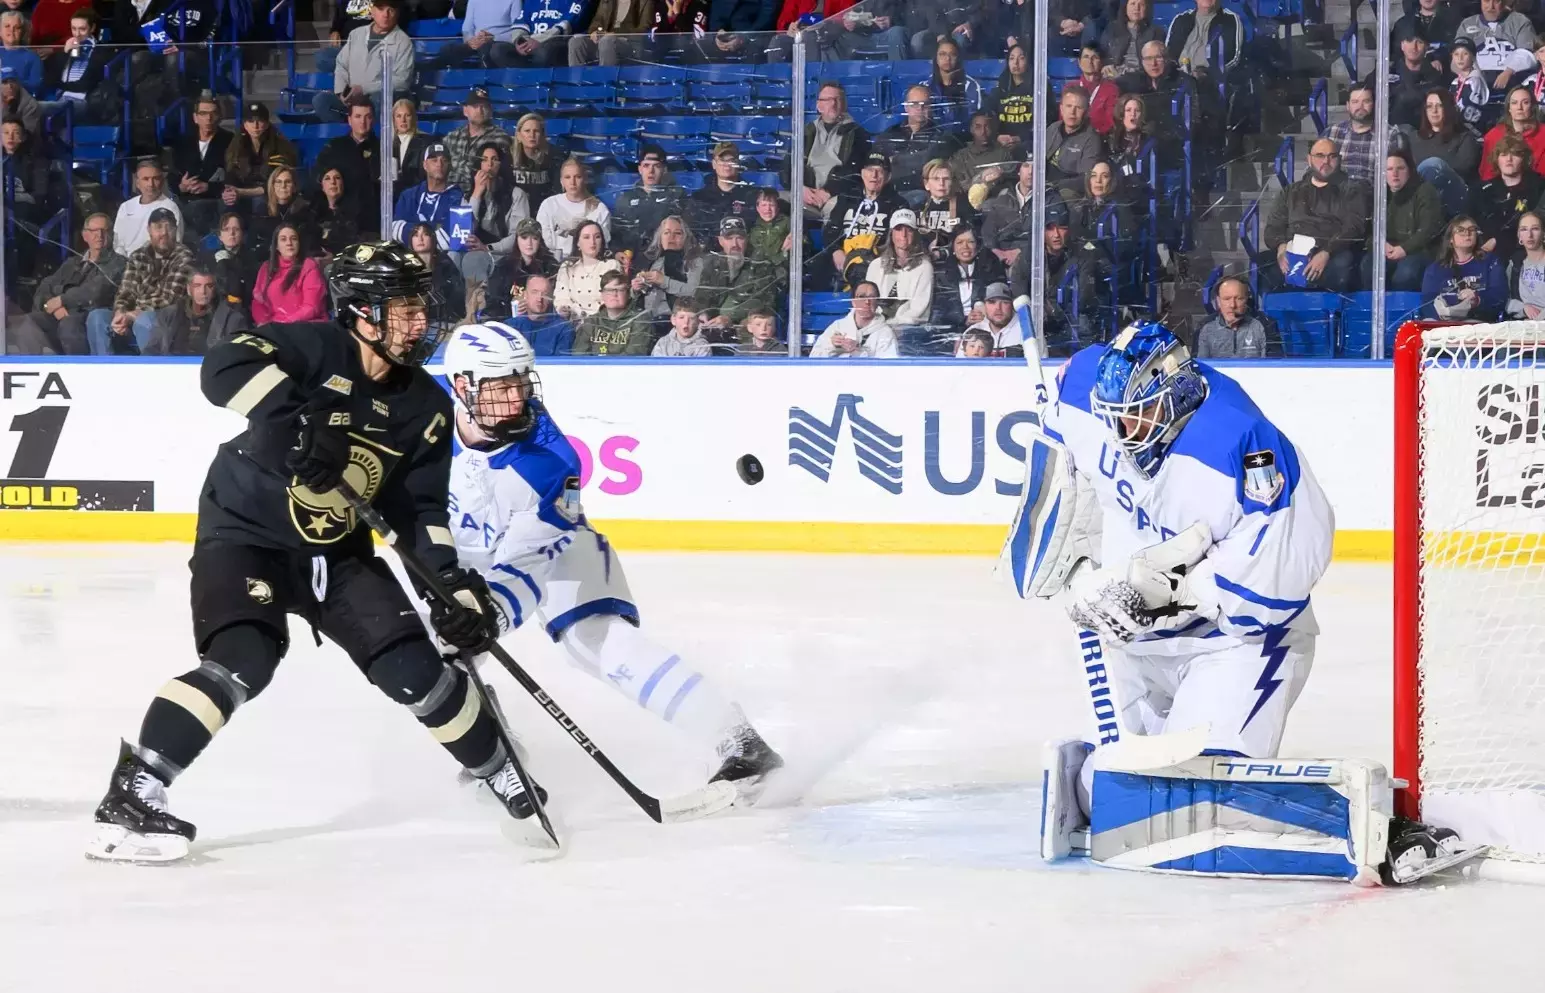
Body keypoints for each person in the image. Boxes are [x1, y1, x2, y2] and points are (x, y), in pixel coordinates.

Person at [85, 241, 534, 864]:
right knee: (245, 656)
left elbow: (419, 515)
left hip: (337, 550)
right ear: (361, 313)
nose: (416, 321)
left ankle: (498, 770)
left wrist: (451, 587)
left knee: (415, 670)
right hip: (245, 532)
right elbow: (222, 365)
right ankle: (135, 793)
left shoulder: (426, 407)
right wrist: (300, 421)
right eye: (400, 308)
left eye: (416, 307)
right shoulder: (316, 346)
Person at [1028, 321, 1477, 885]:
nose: (1122, 431)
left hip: (1237, 644)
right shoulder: (1090, 387)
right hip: (1132, 640)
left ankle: (1379, 828)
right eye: (1113, 416)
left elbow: (1276, 583)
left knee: (1201, 797)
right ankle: (1103, 780)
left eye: (1137, 416)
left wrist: (1170, 592)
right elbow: (1062, 459)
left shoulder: (1244, 447)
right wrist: (1067, 559)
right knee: (1118, 790)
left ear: (1177, 395)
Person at [439, 323, 781, 805]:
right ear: (462, 386)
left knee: (597, 641)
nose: (516, 399)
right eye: (501, 388)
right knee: (432, 649)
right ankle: (492, 751)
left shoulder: (550, 464)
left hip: (554, 549)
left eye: (521, 383)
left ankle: (739, 741)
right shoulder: (422, 416)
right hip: (460, 554)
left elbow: (529, 561)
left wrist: (492, 615)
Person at [1259, 139, 1366, 294]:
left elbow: (1354, 227)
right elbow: (1273, 227)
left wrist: (1326, 252)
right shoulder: (1291, 192)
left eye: (1332, 156)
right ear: (1309, 159)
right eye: (1320, 156)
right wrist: (1281, 247)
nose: (1326, 161)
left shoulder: (1352, 191)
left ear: (1340, 160)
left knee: (1344, 263)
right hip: (1294, 251)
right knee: (1262, 263)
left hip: (1332, 252)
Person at [8, 213, 122, 355]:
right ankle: (38, 367)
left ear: (111, 234)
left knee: (69, 324)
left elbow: (96, 291)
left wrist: (62, 299)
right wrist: (53, 307)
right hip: (59, 314)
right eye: (94, 231)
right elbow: (45, 286)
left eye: (104, 231)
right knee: (26, 322)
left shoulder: (118, 263)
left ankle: (77, 372)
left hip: (90, 315)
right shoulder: (72, 262)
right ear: (85, 235)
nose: (99, 235)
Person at [88, 208, 195, 355]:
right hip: (132, 318)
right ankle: (105, 371)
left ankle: (152, 371)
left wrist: (132, 314)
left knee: (145, 319)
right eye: (158, 227)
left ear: (175, 230)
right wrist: (120, 313)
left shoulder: (184, 256)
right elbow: (125, 292)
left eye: (168, 227)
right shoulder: (138, 255)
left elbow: (169, 298)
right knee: (97, 317)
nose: (163, 233)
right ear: (149, 230)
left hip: (163, 320)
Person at [314, 0, 414, 123]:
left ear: (397, 13)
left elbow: (402, 81)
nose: (385, 14)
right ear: (372, 11)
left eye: (390, 10)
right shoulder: (356, 34)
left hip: (376, 99)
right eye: (381, 9)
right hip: (352, 98)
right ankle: (347, 136)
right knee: (321, 100)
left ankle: (372, 138)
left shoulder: (403, 42)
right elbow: (341, 64)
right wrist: (341, 92)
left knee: (379, 99)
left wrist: (364, 89)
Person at [822, 151, 908, 290]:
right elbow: (831, 230)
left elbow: (900, 239)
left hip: (877, 259)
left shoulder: (897, 204)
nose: (874, 175)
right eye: (869, 170)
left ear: (888, 177)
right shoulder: (847, 198)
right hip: (845, 256)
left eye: (879, 171)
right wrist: (836, 251)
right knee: (817, 265)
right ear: (862, 173)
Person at [1366, 149, 1445, 293]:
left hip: (1418, 249)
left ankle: (1403, 312)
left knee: (1405, 275)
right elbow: (1368, 231)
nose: (1394, 174)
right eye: (1389, 169)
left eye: (1400, 168)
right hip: (1388, 249)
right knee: (1368, 268)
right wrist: (1380, 244)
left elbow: (1429, 229)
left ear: (1409, 170)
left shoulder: (1425, 191)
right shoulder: (1378, 193)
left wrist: (1404, 249)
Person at [461, 140, 532, 292]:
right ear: (478, 165)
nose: (489, 164)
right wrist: (476, 195)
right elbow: (462, 232)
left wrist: (487, 248)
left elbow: (518, 236)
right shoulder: (469, 196)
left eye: (494, 159)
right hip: (473, 251)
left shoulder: (516, 195)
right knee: (453, 255)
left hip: (502, 253)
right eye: (484, 160)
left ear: (501, 165)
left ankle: (479, 306)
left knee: (475, 258)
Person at [794, 83, 870, 218]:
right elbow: (789, 165)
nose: (833, 104)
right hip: (805, 192)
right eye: (828, 100)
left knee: (836, 209)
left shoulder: (857, 133)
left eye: (838, 99)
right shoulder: (806, 131)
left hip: (836, 195)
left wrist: (828, 192)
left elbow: (855, 171)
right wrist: (801, 188)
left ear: (844, 104)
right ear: (819, 105)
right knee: (774, 202)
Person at [1402, 89, 1482, 217]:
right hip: (1421, 198)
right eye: (1429, 106)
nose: (1434, 111)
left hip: (1454, 197)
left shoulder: (1464, 137)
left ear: (1449, 109)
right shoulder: (1414, 138)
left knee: (1434, 164)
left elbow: (1462, 171)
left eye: (1439, 106)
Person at [697, 216, 784, 333]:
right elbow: (702, 294)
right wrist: (703, 313)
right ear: (720, 241)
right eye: (729, 238)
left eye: (740, 238)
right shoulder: (713, 262)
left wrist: (729, 317)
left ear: (747, 240)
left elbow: (764, 300)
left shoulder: (760, 262)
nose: (735, 244)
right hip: (714, 323)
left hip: (747, 324)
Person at [874, 84, 962, 197]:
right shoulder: (890, 134)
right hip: (889, 192)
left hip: (922, 193)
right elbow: (876, 162)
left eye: (925, 105)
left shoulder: (942, 137)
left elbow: (927, 161)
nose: (920, 109)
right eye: (914, 104)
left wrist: (895, 160)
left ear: (931, 107)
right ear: (906, 107)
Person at [980, 155, 1066, 271]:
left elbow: (1053, 238)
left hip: (1035, 263)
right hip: (1000, 261)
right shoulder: (1003, 199)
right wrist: (997, 252)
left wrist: (1022, 252)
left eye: (1036, 167)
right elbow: (987, 233)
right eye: (1026, 166)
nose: (1031, 172)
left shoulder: (1052, 200)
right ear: (1019, 171)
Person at [168, 93, 233, 240]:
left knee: (195, 211)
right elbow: (172, 176)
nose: (208, 118)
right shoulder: (182, 142)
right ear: (195, 118)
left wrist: (209, 187)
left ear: (219, 116)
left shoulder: (230, 142)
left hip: (215, 199)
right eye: (203, 113)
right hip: (185, 197)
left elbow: (235, 179)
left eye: (213, 113)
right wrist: (181, 186)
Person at [313, 97, 381, 236]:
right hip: (340, 220)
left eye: (367, 117)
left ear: (373, 120)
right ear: (349, 120)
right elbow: (318, 176)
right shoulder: (334, 146)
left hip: (371, 221)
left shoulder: (383, 148)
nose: (362, 122)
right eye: (358, 116)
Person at [143, 266, 249, 355]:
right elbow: (151, 350)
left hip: (210, 372)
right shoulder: (168, 315)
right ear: (189, 289)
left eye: (209, 286)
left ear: (215, 289)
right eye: (197, 286)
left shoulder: (231, 318)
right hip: (172, 371)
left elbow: (238, 354)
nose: (203, 291)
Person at [1422, 214, 1507, 319]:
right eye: (1460, 230)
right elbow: (1427, 304)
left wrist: (1478, 300)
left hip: (1478, 323)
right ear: (1450, 239)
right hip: (1444, 324)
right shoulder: (1435, 270)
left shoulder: (1491, 262)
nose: (1467, 233)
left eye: (1472, 229)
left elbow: (1499, 297)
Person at [223, 102, 299, 216]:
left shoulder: (280, 145)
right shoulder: (237, 145)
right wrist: (229, 192)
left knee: (259, 203)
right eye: (251, 121)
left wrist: (242, 192)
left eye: (260, 121)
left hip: (269, 194)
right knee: (227, 204)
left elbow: (277, 182)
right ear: (244, 124)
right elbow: (231, 173)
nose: (256, 126)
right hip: (241, 192)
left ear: (267, 123)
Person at [611, 144, 686, 258]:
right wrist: (617, 252)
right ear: (640, 169)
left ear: (664, 169)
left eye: (656, 166)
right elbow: (616, 234)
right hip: (631, 258)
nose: (651, 171)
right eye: (646, 166)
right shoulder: (626, 198)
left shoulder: (676, 196)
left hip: (664, 259)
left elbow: (683, 234)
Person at [1476, 134, 1545, 253]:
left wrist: (1498, 240)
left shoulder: (1539, 187)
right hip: (1486, 253)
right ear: (1496, 159)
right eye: (1503, 154)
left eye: (1515, 154)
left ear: (1524, 159)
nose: (1509, 159)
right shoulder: (1481, 190)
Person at [42, 11, 114, 125]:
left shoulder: (101, 51)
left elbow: (86, 84)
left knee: (39, 109)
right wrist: (65, 52)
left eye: (82, 29)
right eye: (73, 29)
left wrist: (60, 85)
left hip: (84, 101)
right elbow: (50, 78)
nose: (77, 34)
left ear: (92, 28)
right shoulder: (69, 49)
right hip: (61, 98)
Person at [633, 214, 704, 327]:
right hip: (648, 320)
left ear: (686, 238)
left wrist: (664, 281)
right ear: (660, 238)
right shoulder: (655, 261)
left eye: (677, 233)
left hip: (679, 323)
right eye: (666, 233)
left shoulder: (694, 262)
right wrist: (637, 289)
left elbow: (694, 292)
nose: (671, 237)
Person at [251, 223, 329, 325]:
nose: (289, 243)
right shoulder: (266, 267)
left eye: (294, 239)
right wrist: (263, 323)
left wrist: (284, 324)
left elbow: (311, 307)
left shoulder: (309, 266)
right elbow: (258, 302)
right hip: (274, 328)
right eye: (283, 239)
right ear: (276, 246)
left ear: (299, 244)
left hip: (306, 325)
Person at [1325, 83, 1402, 186]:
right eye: (1355, 102)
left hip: (1371, 196)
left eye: (1366, 101)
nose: (1360, 107)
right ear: (1348, 106)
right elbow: (1316, 167)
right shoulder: (1333, 132)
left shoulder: (1389, 135)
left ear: (1374, 104)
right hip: (1337, 195)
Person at [930, 226, 1003, 333]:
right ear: (953, 247)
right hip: (952, 331)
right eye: (959, 242)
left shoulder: (989, 268)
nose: (965, 247)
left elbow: (998, 298)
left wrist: (983, 312)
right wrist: (964, 320)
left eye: (970, 242)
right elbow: (939, 312)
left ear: (977, 246)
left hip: (986, 326)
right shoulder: (942, 274)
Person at [536, 155, 611, 259]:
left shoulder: (599, 209)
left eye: (578, 177)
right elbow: (542, 241)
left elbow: (603, 245)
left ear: (584, 179)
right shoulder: (548, 205)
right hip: (552, 262)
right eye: (567, 177)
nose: (572, 182)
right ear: (561, 181)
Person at [391, 143, 465, 248]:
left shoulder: (459, 199)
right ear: (425, 165)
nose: (439, 164)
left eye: (444, 160)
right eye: (434, 160)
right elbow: (394, 229)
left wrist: (413, 231)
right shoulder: (408, 195)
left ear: (450, 166)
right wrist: (434, 228)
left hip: (443, 261)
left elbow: (455, 241)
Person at [485, 218, 560, 320]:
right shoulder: (503, 266)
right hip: (510, 322)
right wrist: (510, 309)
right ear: (517, 239)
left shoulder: (551, 267)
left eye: (534, 238)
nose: (529, 243)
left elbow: (557, 299)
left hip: (543, 321)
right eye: (524, 237)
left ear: (540, 240)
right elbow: (493, 303)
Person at [1455, 0, 1536, 90]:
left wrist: (1509, 71)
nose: (1491, 7)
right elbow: (1456, 59)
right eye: (1486, 1)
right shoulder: (1467, 24)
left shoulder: (1520, 21)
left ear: (1505, 2)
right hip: (1476, 80)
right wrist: (1472, 76)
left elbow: (1528, 54)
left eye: (1496, 1)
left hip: (1513, 80)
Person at [444, 88, 511, 194]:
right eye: (475, 106)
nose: (480, 111)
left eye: (484, 106)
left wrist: (454, 165)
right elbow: (441, 166)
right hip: (447, 192)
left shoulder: (499, 137)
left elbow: (488, 172)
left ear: (490, 110)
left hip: (479, 194)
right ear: (465, 110)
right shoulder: (452, 136)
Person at [809, 280, 900, 358]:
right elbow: (813, 358)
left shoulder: (885, 333)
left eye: (872, 297)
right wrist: (832, 346)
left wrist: (857, 352)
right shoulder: (838, 326)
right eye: (861, 297)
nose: (867, 302)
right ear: (853, 302)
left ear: (877, 302)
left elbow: (888, 369)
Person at [1193, 275, 1278, 358]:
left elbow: (1274, 367)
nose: (1232, 305)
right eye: (1226, 299)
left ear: (1247, 300)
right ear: (1218, 301)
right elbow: (1197, 368)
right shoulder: (1205, 328)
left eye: (1239, 299)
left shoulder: (1265, 325)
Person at [687, 141, 756, 241]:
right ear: (714, 164)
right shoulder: (699, 198)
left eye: (731, 160)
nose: (727, 165)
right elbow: (691, 232)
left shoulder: (752, 195)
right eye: (722, 160)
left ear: (738, 164)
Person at [554, 219, 622, 319]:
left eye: (597, 237)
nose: (592, 242)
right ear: (578, 243)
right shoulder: (567, 267)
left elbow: (614, 299)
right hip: (574, 322)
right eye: (586, 237)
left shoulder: (611, 265)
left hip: (603, 322)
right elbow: (561, 298)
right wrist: (567, 310)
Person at [114, 158, 183, 256]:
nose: (151, 184)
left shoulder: (170, 208)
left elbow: (173, 247)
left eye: (155, 179)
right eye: (146, 179)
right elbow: (118, 245)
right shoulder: (125, 207)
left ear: (162, 181)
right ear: (137, 183)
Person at [573, 270, 653, 355]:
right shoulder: (591, 322)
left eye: (620, 290)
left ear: (628, 293)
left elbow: (633, 357)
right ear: (602, 294)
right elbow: (579, 356)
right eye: (609, 290)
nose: (614, 294)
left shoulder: (640, 321)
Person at [1046, 86, 1104, 199]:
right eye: (1068, 106)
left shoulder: (1092, 139)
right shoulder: (1053, 128)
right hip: (1042, 182)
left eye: (1078, 108)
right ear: (1061, 109)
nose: (1072, 112)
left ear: (1087, 112)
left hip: (1066, 190)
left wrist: (1054, 185)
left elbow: (1086, 179)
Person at [1386, 23, 1444, 130]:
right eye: (1409, 41)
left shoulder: (1436, 77)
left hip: (1425, 135)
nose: (1414, 47)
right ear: (1402, 45)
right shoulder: (1386, 73)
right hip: (1392, 134)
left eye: (1420, 42)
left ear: (1427, 47)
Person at [407, 222, 467, 325]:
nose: (420, 239)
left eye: (425, 234)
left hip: (447, 321)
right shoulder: (405, 267)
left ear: (434, 239)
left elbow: (458, 294)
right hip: (417, 323)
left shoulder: (445, 264)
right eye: (415, 235)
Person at [916, 158, 978, 258]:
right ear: (926, 184)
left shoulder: (965, 206)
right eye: (936, 179)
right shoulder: (917, 208)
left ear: (952, 182)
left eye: (946, 179)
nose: (941, 183)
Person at [1480, 86, 1545, 180]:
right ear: (1509, 108)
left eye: (1525, 102)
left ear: (1532, 107)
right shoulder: (1493, 136)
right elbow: (1487, 174)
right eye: (1514, 103)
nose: (1519, 107)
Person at [251, 166, 316, 257]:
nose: (283, 186)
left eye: (288, 182)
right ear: (272, 186)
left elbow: (310, 241)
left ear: (294, 186)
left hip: (298, 261)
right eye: (278, 182)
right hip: (268, 261)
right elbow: (254, 242)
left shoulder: (305, 211)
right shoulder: (262, 211)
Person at [502, 271, 574, 353]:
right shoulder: (510, 327)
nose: (539, 298)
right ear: (525, 295)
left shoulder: (563, 328)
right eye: (534, 292)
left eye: (545, 294)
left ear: (551, 298)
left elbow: (561, 364)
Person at [204, 212, 261, 314]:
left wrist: (226, 263)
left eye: (236, 229)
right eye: (226, 229)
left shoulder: (252, 258)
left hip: (241, 310)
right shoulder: (209, 258)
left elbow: (245, 290)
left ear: (242, 234)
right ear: (220, 236)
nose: (232, 233)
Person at [569, 0, 653, 66]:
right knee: (576, 41)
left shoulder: (645, 1)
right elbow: (597, 20)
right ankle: (576, 83)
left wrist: (615, 34)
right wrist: (594, 31)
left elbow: (644, 28)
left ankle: (605, 82)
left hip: (629, 42)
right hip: (605, 38)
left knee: (607, 41)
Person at [923, 38, 982, 131]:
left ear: (958, 58)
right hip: (932, 137)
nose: (947, 58)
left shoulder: (970, 85)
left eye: (952, 54)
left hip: (962, 138)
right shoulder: (925, 86)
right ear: (936, 58)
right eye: (942, 54)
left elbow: (974, 119)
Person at [986, 45, 1037, 150]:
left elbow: (1047, 123)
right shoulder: (999, 89)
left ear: (1028, 61)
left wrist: (1021, 138)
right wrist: (997, 136)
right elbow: (987, 116)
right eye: (1012, 58)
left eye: (1021, 58)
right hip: (1002, 146)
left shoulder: (1039, 88)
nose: (1016, 63)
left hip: (1030, 144)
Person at [956, 281, 1027, 356]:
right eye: (992, 302)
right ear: (984, 305)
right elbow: (959, 366)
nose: (998, 308)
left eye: (1005, 302)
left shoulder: (1025, 329)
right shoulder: (974, 330)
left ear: (1012, 305)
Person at [1102, 0, 1163, 76]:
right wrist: (1106, 64)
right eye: (1133, 4)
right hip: (1113, 73)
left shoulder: (1156, 32)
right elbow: (1102, 52)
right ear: (1125, 7)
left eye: (1141, 4)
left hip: (1142, 76)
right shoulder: (1112, 28)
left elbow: (1160, 60)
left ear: (1147, 8)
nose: (1137, 8)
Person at [511, 112, 559, 208]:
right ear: (519, 136)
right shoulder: (508, 158)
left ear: (542, 135)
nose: (531, 135)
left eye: (536, 131)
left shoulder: (553, 158)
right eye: (527, 131)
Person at [314, 167, 363, 258]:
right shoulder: (313, 213)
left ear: (343, 184)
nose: (333, 182)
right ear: (322, 187)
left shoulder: (357, 214)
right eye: (327, 178)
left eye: (337, 178)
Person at [1074, 43, 1121, 135]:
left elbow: (1110, 123)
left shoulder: (1111, 89)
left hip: (1099, 138)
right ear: (1079, 62)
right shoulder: (1071, 88)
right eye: (1086, 57)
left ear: (1102, 62)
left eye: (1094, 57)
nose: (1090, 61)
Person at [389, 98, 432, 197]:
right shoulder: (388, 145)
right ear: (394, 120)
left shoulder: (426, 142)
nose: (403, 120)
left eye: (407, 115)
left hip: (416, 196)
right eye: (398, 116)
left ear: (413, 118)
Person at [1506, 210, 1545, 317]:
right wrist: (1523, 308)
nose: (1529, 234)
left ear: (1543, 233)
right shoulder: (1515, 264)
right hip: (1522, 324)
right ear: (1519, 236)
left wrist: (1539, 319)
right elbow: (1504, 300)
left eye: (1535, 228)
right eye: (1524, 229)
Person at [1450, 37, 1493, 133]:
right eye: (1456, 54)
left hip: (1472, 131)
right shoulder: (1455, 81)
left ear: (1473, 56)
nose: (1460, 58)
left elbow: (1473, 110)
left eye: (1465, 54)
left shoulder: (1476, 80)